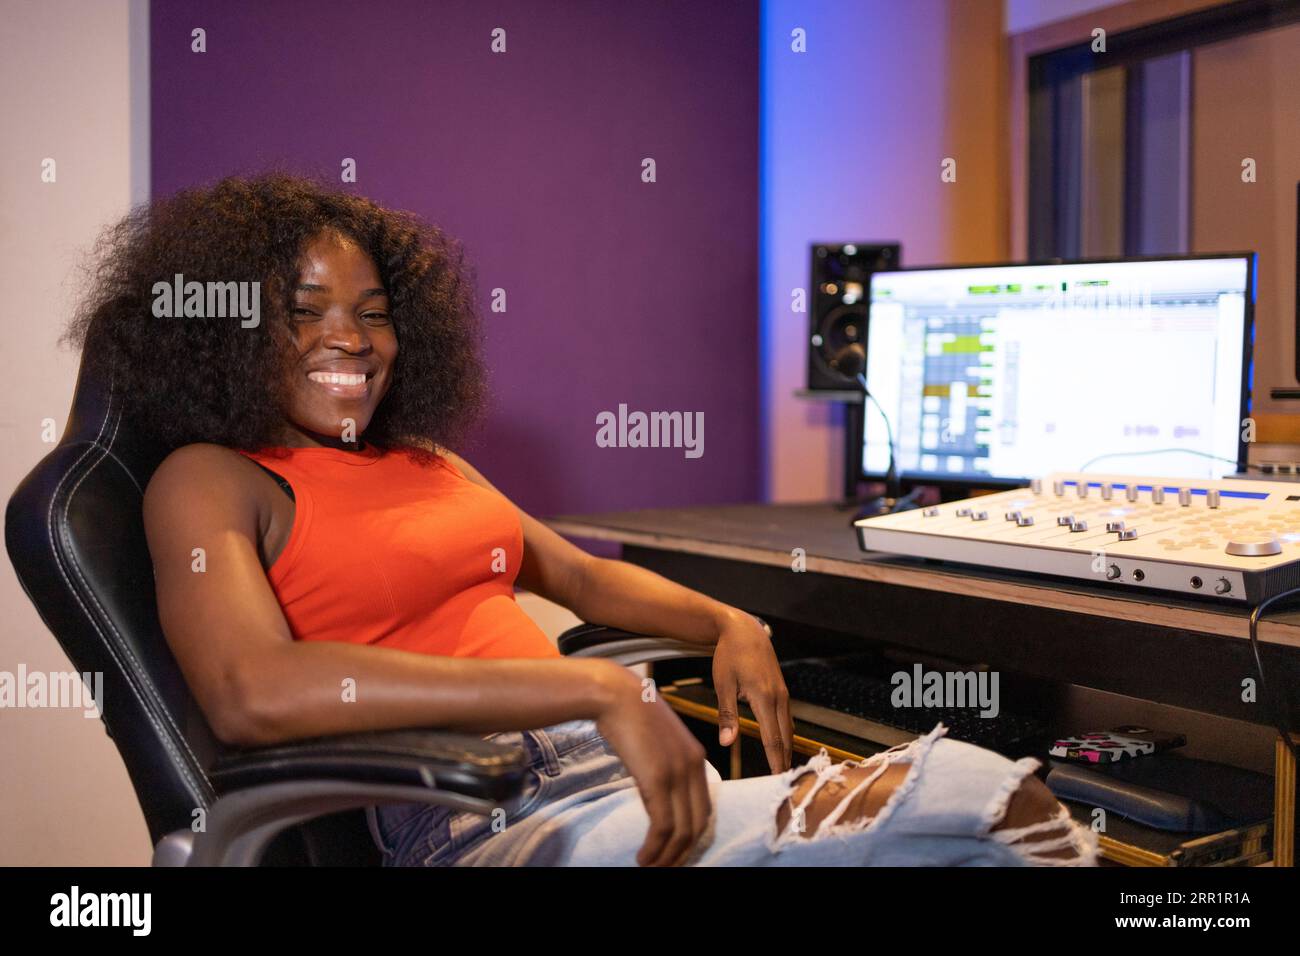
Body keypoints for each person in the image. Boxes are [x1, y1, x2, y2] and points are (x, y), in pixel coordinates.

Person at [67, 174, 1097, 866]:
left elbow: (581, 576)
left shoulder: (424, 462)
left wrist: (732, 623)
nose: (352, 336)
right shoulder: (210, 478)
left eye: (374, 309)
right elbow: (252, 691)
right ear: (234, 327)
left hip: (616, 767)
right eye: (305, 306)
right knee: (996, 808)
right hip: (488, 808)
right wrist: (590, 682)